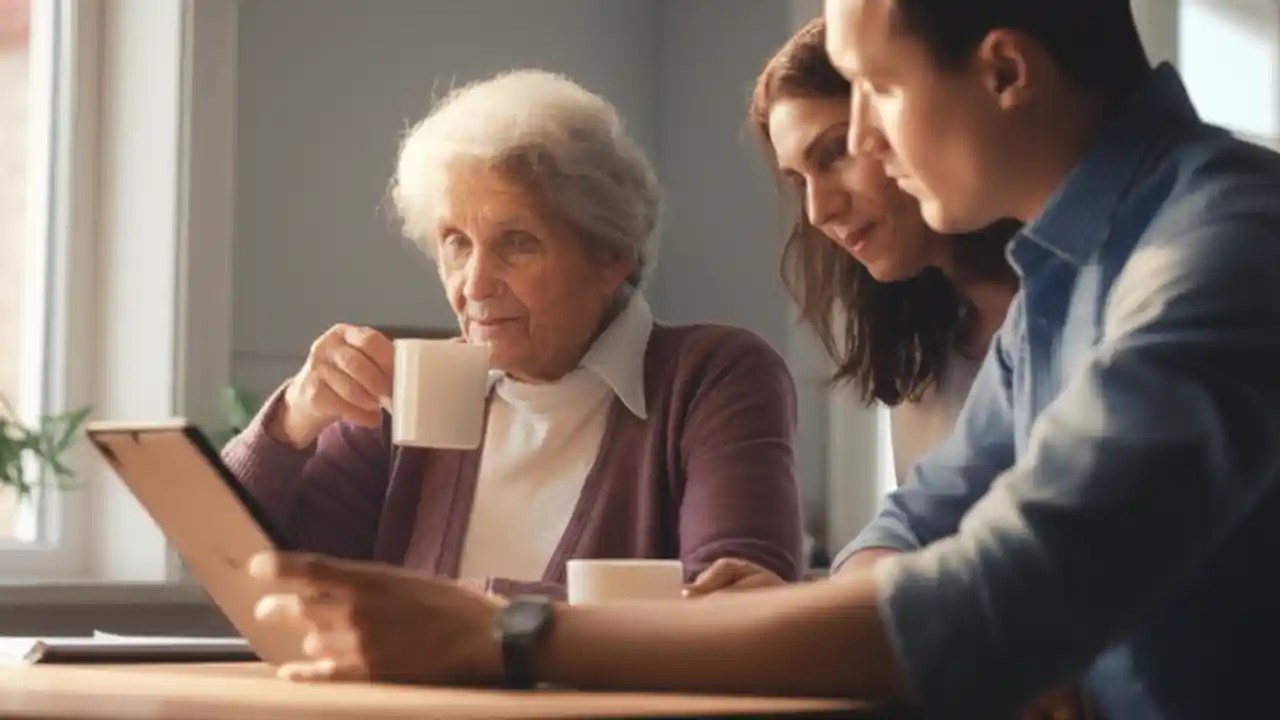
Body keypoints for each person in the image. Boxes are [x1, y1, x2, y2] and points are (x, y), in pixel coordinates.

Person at [248, 2, 1280, 718]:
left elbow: (988, 597)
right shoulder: (1059, 268)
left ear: (1005, 71)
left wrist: (506, 635)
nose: (866, 146)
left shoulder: (1226, 244)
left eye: (875, 87)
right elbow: (909, 538)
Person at [223, 69, 804, 600]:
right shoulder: (412, 391)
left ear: (610, 255)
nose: (474, 285)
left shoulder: (713, 377)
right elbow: (249, 571)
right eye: (456, 242)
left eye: (517, 242)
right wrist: (291, 423)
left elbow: (734, 603)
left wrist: (454, 615)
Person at [687, 17, 1019, 597]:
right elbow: (917, 537)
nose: (819, 210)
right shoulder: (921, 350)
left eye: (837, 152)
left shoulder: (1075, 302)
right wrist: (805, 604)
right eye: (798, 179)